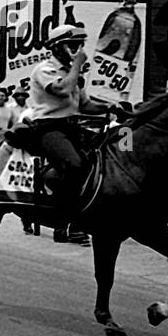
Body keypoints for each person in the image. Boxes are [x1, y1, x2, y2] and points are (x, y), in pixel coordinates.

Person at [25, 24, 110, 214]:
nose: (77, 49)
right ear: (56, 47)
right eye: (71, 45)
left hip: (73, 127)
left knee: (105, 157)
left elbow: (86, 105)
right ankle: (63, 213)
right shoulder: (44, 69)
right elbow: (62, 90)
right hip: (49, 128)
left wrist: (110, 107)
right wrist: (78, 65)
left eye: (79, 45)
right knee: (73, 165)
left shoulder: (72, 74)